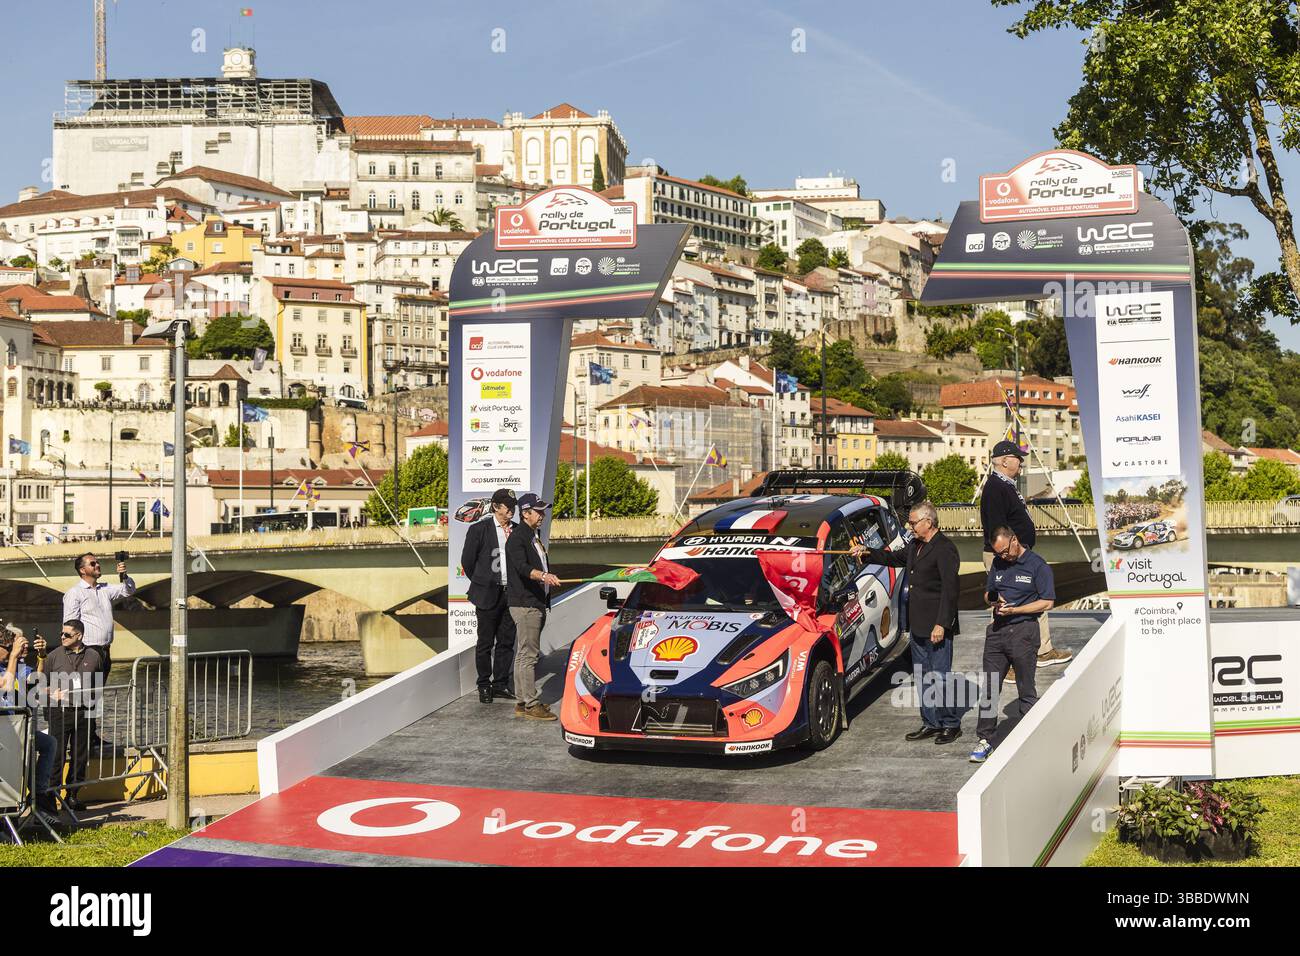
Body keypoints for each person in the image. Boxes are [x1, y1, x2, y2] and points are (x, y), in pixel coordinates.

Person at [851, 500, 963, 744]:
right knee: (923, 676)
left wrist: (942, 624)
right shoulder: (915, 546)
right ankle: (931, 722)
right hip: (918, 624)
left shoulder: (944, 549)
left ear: (928, 522)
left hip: (936, 626)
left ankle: (950, 724)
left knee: (940, 677)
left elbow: (950, 591)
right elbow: (893, 558)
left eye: (913, 523)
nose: (909, 526)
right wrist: (866, 551)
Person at [979, 440, 1070, 669]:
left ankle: (1042, 651)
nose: (1021, 463)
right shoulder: (995, 488)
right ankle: (1005, 663)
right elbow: (997, 528)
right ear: (1005, 460)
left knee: (1035, 599)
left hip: (1018, 555)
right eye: (1018, 459)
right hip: (1006, 557)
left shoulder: (1005, 484)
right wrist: (1008, 556)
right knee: (1004, 606)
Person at [969, 526, 1056, 763]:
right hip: (997, 631)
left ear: (1015, 540)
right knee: (989, 688)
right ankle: (985, 739)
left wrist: (1016, 609)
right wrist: (994, 600)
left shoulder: (1038, 566)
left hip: (1024, 631)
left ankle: (1030, 739)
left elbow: (1047, 602)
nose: (1003, 557)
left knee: (1025, 688)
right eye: (999, 554)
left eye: (1005, 552)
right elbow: (988, 593)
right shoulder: (998, 563)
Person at [505, 493, 561, 721]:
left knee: (523, 654)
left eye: (543, 511)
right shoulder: (518, 538)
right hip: (525, 604)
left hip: (532, 602)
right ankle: (530, 703)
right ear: (526, 513)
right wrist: (544, 576)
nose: (543, 515)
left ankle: (522, 700)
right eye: (539, 511)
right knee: (529, 655)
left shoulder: (532, 536)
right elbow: (521, 567)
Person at [460, 488, 519, 704]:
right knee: (485, 642)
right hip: (487, 594)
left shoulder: (518, 530)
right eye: (507, 506)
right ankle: (484, 685)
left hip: (511, 594)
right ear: (495, 507)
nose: (512, 510)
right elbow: (467, 561)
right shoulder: (479, 530)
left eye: (513, 506)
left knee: (506, 641)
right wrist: (483, 581)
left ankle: (501, 684)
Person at [43, 620, 105, 812]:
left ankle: (72, 795)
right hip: (59, 713)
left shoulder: (95, 656)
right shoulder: (53, 657)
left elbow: (98, 685)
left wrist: (93, 711)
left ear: (79, 635)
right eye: (61, 633)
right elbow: (43, 685)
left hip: (85, 713)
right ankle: (50, 797)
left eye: (67, 634)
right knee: (56, 756)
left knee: (80, 756)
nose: (62, 637)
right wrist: (49, 709)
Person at [0, 625, 58, 816]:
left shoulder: (18, 664)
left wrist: (41, 656)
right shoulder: (10, 663)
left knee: (48, 743)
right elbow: (6, 687)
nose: (13, 651)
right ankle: (11, 814)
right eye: (9, 647)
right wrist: (14, 657)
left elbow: (37, 681)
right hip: (5, 733)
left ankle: (39, 795)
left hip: (18, 729)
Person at [62, 552, 135, 678]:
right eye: (93, 563)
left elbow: (128, 590)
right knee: (86, 692)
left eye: (97, 562)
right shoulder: (75, 593)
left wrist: (124, 576)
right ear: (83, 570)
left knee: (98, 692)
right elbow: (69, 625)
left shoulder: (104, 589)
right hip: (87, 651)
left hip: (105, 650)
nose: (97, 565)